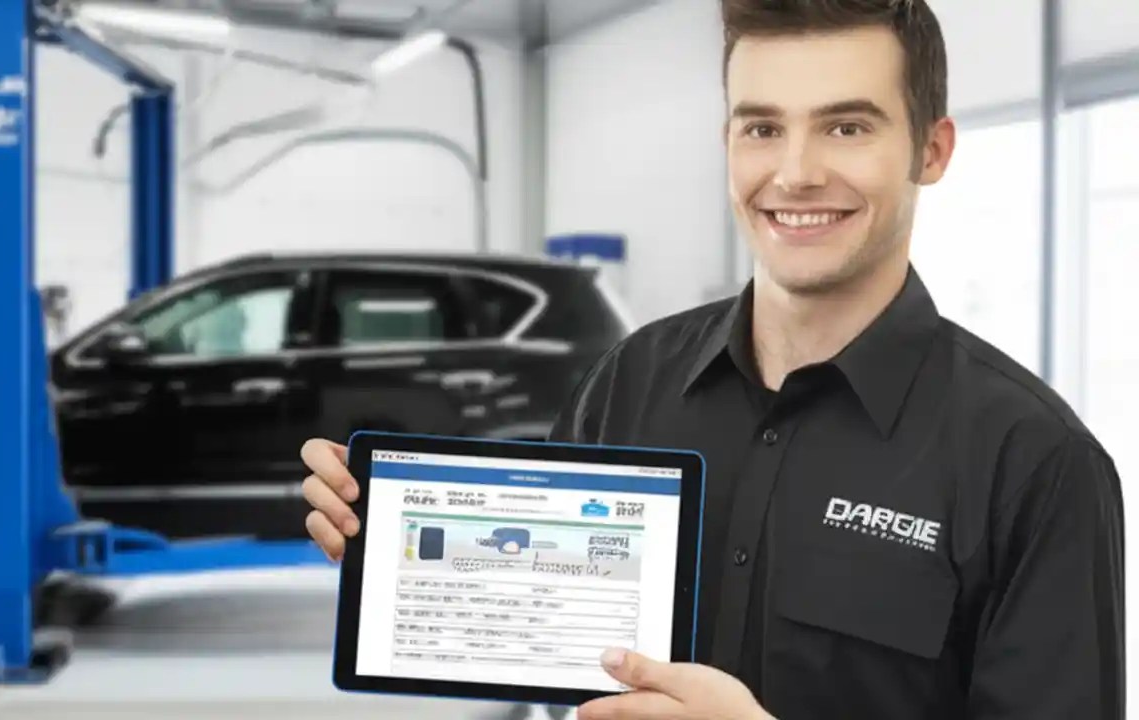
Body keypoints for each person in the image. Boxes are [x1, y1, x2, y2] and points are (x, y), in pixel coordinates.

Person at [301, 0, 1126, 717]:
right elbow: (539, 621)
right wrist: (397, 546)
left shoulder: (1035, 465)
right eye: (762, 127)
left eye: (846, 126)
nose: (795, 173)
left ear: (931, 151)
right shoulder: (628, 382)